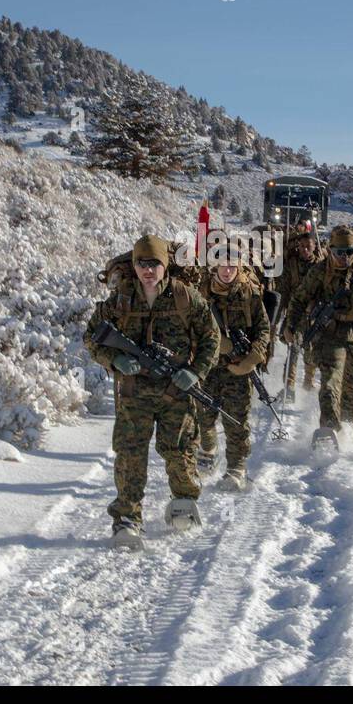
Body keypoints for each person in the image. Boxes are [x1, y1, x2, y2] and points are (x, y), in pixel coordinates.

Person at [85, 234, 220, 549]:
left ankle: (184, 502)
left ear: (165, 265)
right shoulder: (119, 300)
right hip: (134, 394)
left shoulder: (185, 297)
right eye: (142, 263)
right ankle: (127, 518)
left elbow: (211, 337)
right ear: (134, 265)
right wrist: (115, 358)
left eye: (155, 263)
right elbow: (92, 338)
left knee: (180, 450)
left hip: (176, 391)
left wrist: (195, 371)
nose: (148, 270)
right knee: (131, 455)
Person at [281, 225, 353, 448]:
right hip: (329, 332)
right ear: (331, 250)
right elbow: (300, 298)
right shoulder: (320, 270)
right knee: (331, 380)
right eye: (339, 253)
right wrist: (290, 325)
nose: (344, 258)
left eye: (349, 252)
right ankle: (329, 429)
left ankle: (349, 427)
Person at [197, 251, 270, 490]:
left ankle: (236, 466)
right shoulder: (201, 293)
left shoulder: (249, 294)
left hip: (238, 368)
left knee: (236, 418)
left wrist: (253, 358)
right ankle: (208, 449)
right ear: (214, 268)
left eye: (232, 266)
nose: (227, 271)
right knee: (203, 416)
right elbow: (189, 328)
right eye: (222, 266)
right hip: (207, 365)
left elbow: (263, 330)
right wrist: (219, 344)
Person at [277, 226, 324, 401]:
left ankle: (309, 381)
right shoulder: (292, 265)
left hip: (313, 314)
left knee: (310, 350)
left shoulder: (320, 266)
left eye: (308, 246)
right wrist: (281, 312)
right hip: (295, 312)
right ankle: (289, 386)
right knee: (293, 349)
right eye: (302, 246)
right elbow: (284, 288)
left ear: (314, 247)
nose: (304, 250)